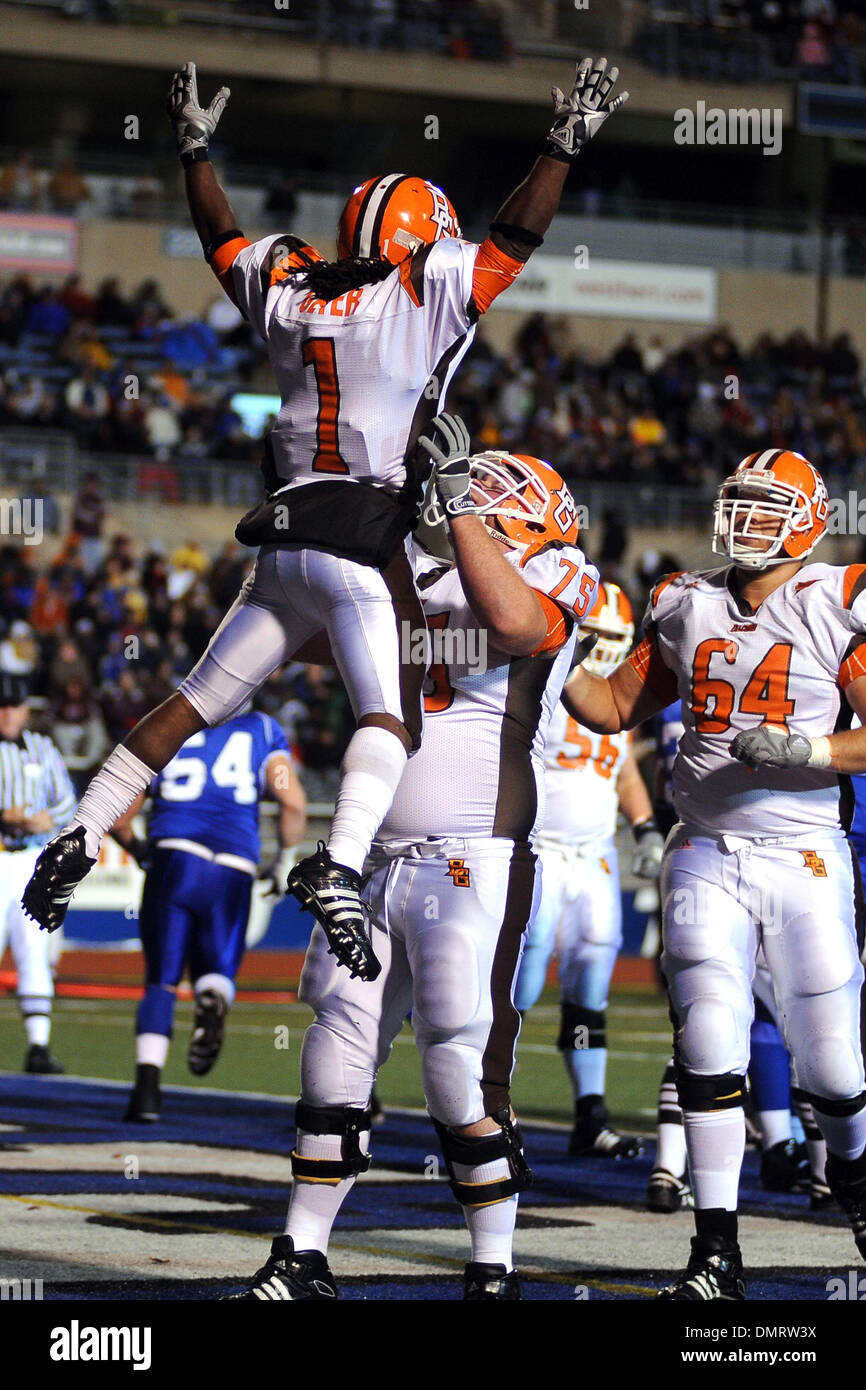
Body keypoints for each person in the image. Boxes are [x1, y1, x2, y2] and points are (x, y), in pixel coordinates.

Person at [21, 55, 629, 986]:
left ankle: (81, 828)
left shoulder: (290, 286)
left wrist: (193, 153)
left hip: (280, 539)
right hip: (362, 538)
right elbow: (517, 235)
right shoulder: (423, 291)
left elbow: (221, 237)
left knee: (187, 702)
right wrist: (562, 145)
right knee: (386, 715)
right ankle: (340, 865)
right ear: (425, 236)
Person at [225, 417, 599, 1301]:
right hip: (377, 854)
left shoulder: (556, 572)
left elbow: (509, 624)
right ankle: (301, 1254)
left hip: (474, 852)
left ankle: (492, 1268)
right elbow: (305, 639)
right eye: (472, 487)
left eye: (493, 493)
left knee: (455, 1066)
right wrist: (313, 547)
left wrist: (459, 510)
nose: (467, 498)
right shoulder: (411, 571)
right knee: (334, 1048)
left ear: (540, 517)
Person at [561, 447, 866, 1299]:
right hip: (703, 848)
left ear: (809, 520)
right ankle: (716, 1253)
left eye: (767, 505)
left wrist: (809, 748)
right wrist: (553, 646)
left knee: (836, 1067)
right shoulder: (684, 602)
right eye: (740, 501)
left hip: (804, 853)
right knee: (707, 1041)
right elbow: (616, 705)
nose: (746, 519)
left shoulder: (830, 603)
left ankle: (856, 1173)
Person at [513, 583, 663, 1158]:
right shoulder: (542, 684)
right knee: (522, 977)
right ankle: (486, 1101)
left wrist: (645, 826)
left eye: (614, 638)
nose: (602, 648)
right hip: (540, 849)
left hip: (595, 855)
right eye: (593, 636)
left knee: (591, 986)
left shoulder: (618, 702)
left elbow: (622, 770)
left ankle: (590, 1113)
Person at [111, 711, 306, 1122]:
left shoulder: (167, 718)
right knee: (218, 968)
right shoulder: (263, 728)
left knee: (162, 978)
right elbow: (291, 800)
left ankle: (147, 1090)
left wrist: (141, 850)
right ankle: (212, 999)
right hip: (233, 864)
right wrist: (283, 860)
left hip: (176, 855)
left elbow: (121, 814)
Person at [0, 673, 76, 1073]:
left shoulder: (41, 747)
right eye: (2, 706)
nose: (7, 713)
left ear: (26, 710)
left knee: (34, 953)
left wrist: (46, 819)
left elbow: (67, 799)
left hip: (29, 859)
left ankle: (38, 1048)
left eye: (13, 706)